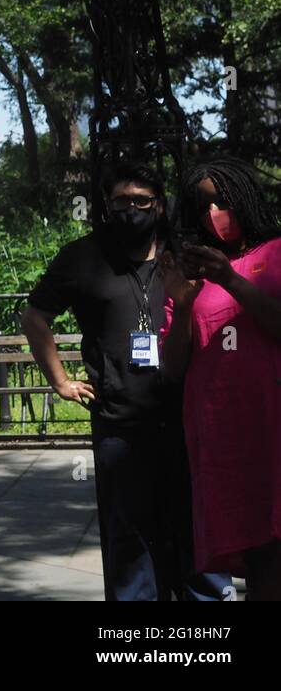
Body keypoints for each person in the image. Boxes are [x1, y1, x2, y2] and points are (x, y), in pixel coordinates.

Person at [22, 161, 229, 602]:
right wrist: (59, 380)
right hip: (120, 423)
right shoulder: (83, 257)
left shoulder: (183, 255)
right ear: (106, 205)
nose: (131, 209)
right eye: (121, 201)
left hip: (187, 419)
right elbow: (36, 316)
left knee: (196, 536)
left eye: (141, 201)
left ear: (159, 206)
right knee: (129, 544)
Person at [160, 157, 281, 600]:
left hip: (273, 428)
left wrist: (230, 279)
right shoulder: (190, 275)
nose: (214, 215)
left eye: (223, 202)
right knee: (250, 558)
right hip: (222, 439)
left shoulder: (276, 253)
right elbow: (173, 367)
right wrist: (185, 303)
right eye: (204, 206)